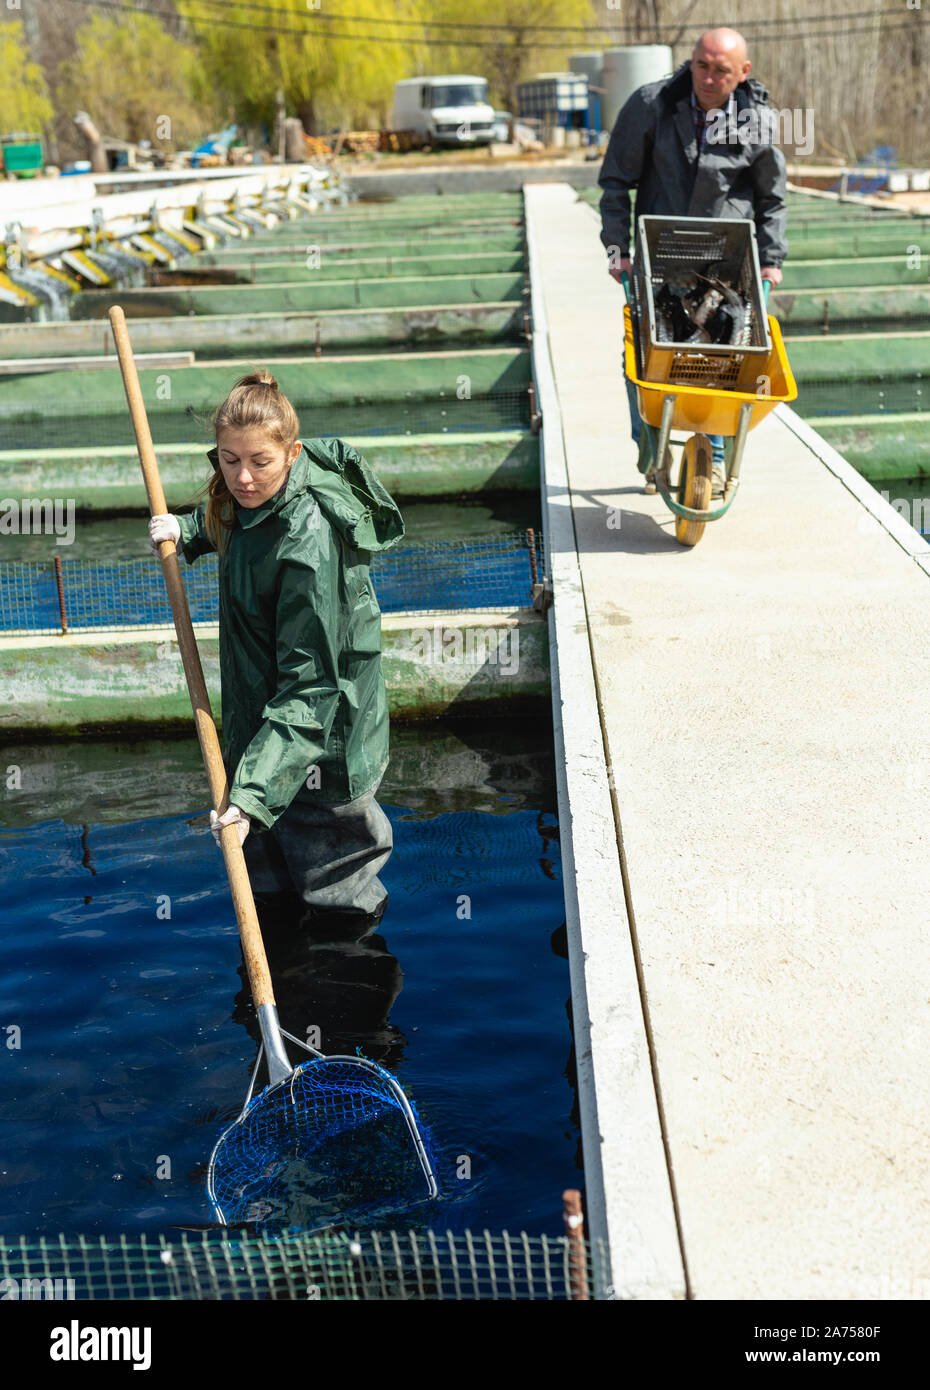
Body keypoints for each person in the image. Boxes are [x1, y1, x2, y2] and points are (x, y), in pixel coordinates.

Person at [148, 370, 405, 926]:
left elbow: (312, 689)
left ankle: (350, 991)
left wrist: (252, 796)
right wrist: (186, 531)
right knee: (269, 898)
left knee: (338, 902)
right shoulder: (244, 495)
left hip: (323, 743)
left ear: (293, 454)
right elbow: (230, 519)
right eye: (227, 459)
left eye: (258, 462)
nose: (241, 477)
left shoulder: (308, 540)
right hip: (262, 729)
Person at [598, 27, 787, 497]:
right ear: (692, 61)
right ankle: (652, 447)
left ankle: (716, 460)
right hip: (659, 258)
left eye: (721, 70)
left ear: (742, 73)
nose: (707, 77)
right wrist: (616, 247)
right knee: (642, 359)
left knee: (726, 362)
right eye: (701, 65)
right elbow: (616, 182)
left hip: (726, 265)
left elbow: (772, 199)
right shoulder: (652, 104)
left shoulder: (756, 120)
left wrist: (771, 261)